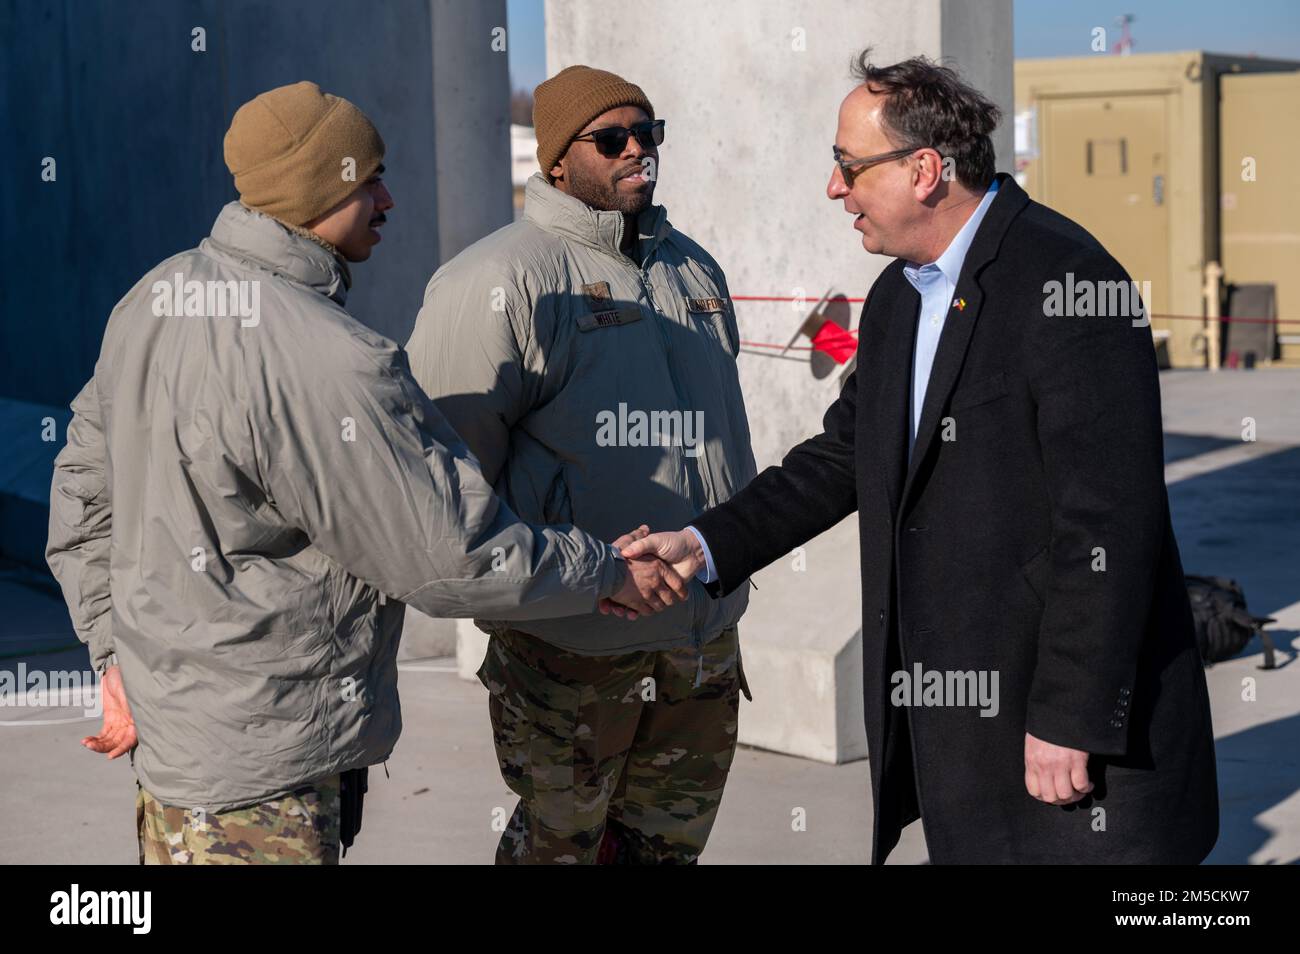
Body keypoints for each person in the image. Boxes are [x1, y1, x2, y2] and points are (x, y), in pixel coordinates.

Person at [46, 81, 685, 866]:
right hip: (268, 778)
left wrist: (114, 658)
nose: (387, 199)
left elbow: (82, 493)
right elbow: (450, 554)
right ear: (313, 190)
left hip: (180, 767)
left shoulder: (152, 300)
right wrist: (606, 570)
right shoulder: (325, 357)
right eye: (366, 181)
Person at [623, 52, 1219, 864]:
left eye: (847, 166)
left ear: (925, 171)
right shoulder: (901, 294)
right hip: (961, 734)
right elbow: (840, 458)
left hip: (1064, 743)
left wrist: (1070, 718)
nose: (835, 189)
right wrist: (703, 544)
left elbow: (1108, 525)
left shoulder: (1070, 281)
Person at [406, 66, 757, 864]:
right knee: (558, 850)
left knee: (664, 852)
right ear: (559, 159)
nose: (640, 150)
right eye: (614, 138)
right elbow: (446, 491)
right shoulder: (495, 281)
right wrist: (573, 573)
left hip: (702, 637)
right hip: (574, 647)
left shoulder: (692, 270)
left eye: (649, 133)